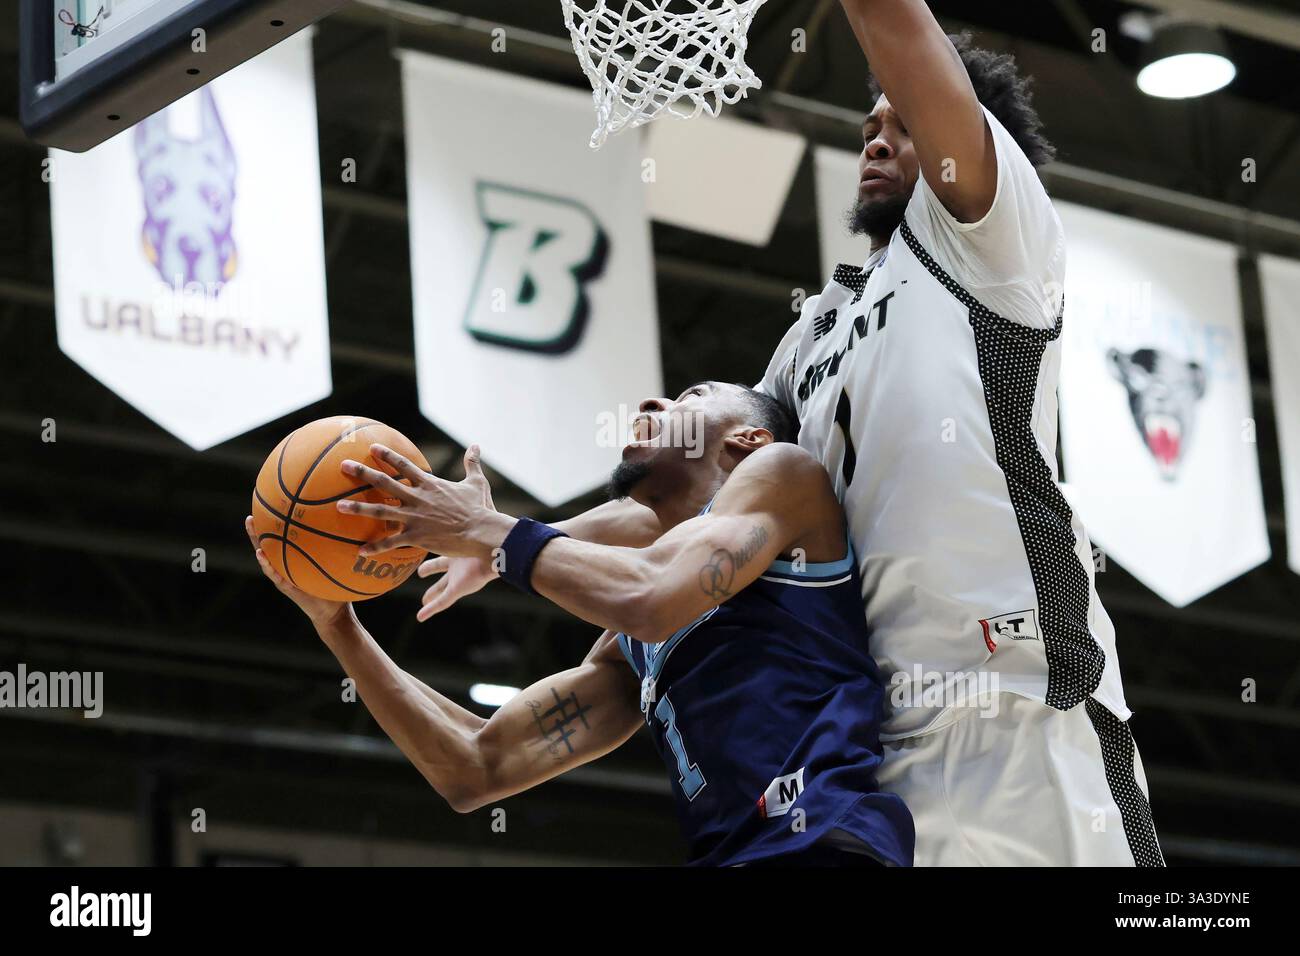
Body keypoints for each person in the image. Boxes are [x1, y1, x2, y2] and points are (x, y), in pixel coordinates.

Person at [391, 4, 1163, 867]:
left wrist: (506, 542)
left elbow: (893, 24)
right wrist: (496, 543)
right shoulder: (810, 337)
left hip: (1023, 709)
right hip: (893, 765)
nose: (876, 140)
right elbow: (692, 503)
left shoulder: (993, 243)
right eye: (868, 126)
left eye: (903, 124)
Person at [246, 382, 913, 867]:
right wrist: (338, 625)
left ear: (747, 439)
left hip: (822, 842)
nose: (652, 404)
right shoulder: (635, 649)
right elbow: (477, 768)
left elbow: (653, 592)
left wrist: (488, 532)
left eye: (691, 394)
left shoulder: (782, 474)